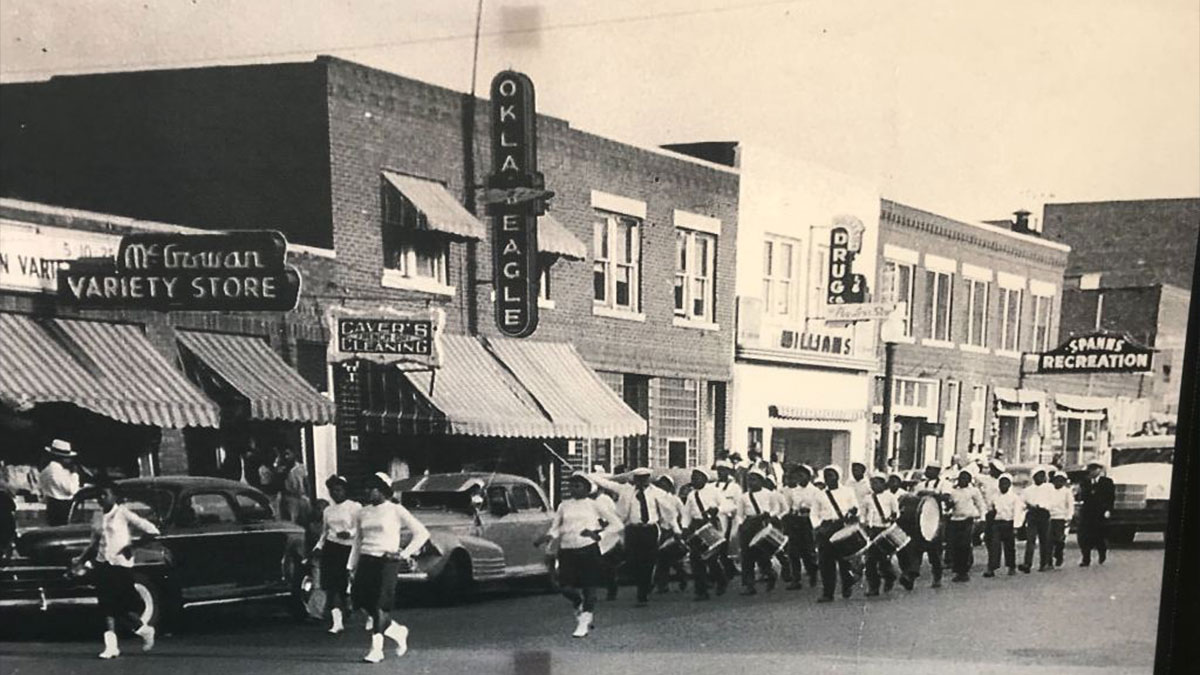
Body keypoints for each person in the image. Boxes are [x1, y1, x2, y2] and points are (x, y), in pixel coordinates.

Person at [70, 478, 160, 659]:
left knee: (122, 608)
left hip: (121, 566)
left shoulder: (123, 513)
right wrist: (80, 560)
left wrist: (132, 547)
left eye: (105, 494)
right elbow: (94, 543)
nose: (101, 498)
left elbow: (152, 530)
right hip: (103, 565)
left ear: (115, 496)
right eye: (99, 495)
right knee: (106, 607)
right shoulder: (97, 516)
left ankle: (144, 630)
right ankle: (111, 647)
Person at [347, 472, 430, 663]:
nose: (367, 492)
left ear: (382, 490)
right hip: (367, 560)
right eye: (365, 489)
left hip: (386, 562)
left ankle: (377, 649)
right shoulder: (362, 512)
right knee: (361, 601)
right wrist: (351, 565)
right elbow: (358, 540)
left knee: (378, 605)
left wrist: (403, 554)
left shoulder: (396, 510)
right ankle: (397, 631)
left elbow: (422, 533)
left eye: (371, 488)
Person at [535, 472, 622, 638]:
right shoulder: (563, 506)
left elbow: (616, 524)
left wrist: (599, 535)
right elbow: (556, 527)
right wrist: (547, 536)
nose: (573, 489)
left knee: (590, 587)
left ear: (587, 488)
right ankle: (577, 601)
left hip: (588, 549)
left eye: (578, 485)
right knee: (565, 587)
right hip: (567, 549)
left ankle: (584, 622)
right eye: (571, 485)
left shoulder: (594, 504)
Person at [590, 468, 676, 606]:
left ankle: (643, 593)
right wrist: (589, 475)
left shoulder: (657, 493)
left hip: (650, 529)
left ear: (649, 479)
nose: (642, 481)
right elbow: (607, 484)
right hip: (633, 529)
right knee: (634, 560)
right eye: (639, 478)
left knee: (648, 561)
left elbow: (669, 512)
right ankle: (642, 584)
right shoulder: (626, 491)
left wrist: (675, 528)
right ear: (634, 479)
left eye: (645, 478)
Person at [314, 475, 361, 634]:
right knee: (330, 584)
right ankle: (336, 621)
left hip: (348, 548)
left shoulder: (354, 507)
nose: (335, 493)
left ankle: (352, 606)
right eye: (332, 491)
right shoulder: (328, 510)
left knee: (345, 583)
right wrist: (319, 546)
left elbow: (360, 528)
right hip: (332, 547)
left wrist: (349, 533)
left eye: (339, 490)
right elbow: (325, 531)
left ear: (345, 491)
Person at [812, 465, 860, 602]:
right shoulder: (820, 494)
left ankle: (847, 584)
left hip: (842, 525)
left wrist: (853, 513)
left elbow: (855, 507)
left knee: (844, 560)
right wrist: (817, 527)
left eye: (831, 475)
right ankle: (828, 593)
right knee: (825, 562)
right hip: (826, 527)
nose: (828, 478)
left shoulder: (848, 491)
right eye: (826, 475)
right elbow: (814, 513)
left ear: (838, 476)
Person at [681, 468, 728, 600]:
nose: (693, 480)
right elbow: (686, 513)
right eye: (692, 477)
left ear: (705, 479)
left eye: (696, 477)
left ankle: (721, 580)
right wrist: (684, 527)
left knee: (711, 558)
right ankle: (701, 590)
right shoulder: (691, 495)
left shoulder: (714, 492)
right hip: (697, 526)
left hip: (711, 524)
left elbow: (728, 505)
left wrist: (717, 509)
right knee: (696, 558)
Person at [734, 469, 783, 595]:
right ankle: (749, 585)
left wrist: (770, 515)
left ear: (761, 481)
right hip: (749, 525)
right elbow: (739, 514)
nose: (751, 482)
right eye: (749, 479)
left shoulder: (769, 494)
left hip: (762, 523)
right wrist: (741, 524)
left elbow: (776, 508)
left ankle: (770, 573)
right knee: (746, 556)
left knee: (762, 554)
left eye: (754, 479)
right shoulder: (744, 497)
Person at [901, 462, 947, 590]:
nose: (927, 471)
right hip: (921, 521)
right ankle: (911, 576)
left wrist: (934, 495)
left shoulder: (944, 484)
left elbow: (947, 497)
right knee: (916, 549)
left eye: (930, 469)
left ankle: (937, 576)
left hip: (937, 521)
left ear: (937, 471)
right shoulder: (920, 485)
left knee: (934, 552)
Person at [781, 464, 821, 590]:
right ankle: (796, 579)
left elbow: (818, 508)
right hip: (795, 521)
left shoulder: (815, 491)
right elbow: (789, 506)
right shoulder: (794, 491)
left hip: (808, 521)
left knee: (807, 551)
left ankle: (812, 572)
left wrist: (808, 510)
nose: (799, 478)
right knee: (793, 551)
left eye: (802, 475)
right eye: (798, 475)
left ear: (809, 477)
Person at [944, 469, 987, 582]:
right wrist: (949, 505)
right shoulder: (954, 492)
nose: (962, 481)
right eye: (961, 478)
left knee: (965, 545)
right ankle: (957, 569)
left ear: (969, 480)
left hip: (967, 520)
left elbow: (981, 504)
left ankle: (964, 571)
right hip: (955, 520)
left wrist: (982, 518)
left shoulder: (973, 491)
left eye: (965, 479)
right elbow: (948, 507)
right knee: (955, 546)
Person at [860, 472, 899, 596]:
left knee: (883, 559)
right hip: (872, 530)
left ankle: (889, 576)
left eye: (876, 483)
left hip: (885, 530)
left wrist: (891, 517)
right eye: (872, 483)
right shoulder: (867, 498)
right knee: (870, 561)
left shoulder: (890, 497)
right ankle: (873, 586)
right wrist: (864, 524)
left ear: (883, 483)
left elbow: (896, 512)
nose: (873, 486)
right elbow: (863, 514)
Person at [652, 475, 688, 594]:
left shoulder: (675, 500)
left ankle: (681, 577)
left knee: (670, 557)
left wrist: (680, 529)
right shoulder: (656, 499)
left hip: (673, 531)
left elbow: (683, 514)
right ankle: (663, 584)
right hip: (661, 530)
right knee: (662, 558)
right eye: (660, 484)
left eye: (664, 484)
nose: (661, 486)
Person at [983, 473, 1022, 577]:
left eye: (1005, 483)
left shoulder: (1014, 498)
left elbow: (1017, 512)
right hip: (996, 524)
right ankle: (991, 568)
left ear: (1009, 484)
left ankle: (1011, 566)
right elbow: (989, 508)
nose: (1003, 486)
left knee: (1009, 546)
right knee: (994, 546)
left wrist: (1016, 526)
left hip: (1008, 523)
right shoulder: (995, 496)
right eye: (1001, 483)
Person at [1077, 461, 1115, 566]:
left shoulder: (1107, 482)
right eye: (1091, 469)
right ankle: (1086, 558)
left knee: (1099, 536)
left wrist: (1108, 510)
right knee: (1084, 537)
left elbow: (1111, 498)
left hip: (1100, 513)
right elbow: (1082, 496)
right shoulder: (1085, 482)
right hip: (1087, 513)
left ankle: (1102, 553)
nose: (1093, 471)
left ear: (1100, 470)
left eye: (1095, 469)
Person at [1018, 466, 1054, 573]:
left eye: (1043, 475)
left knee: (1045, 540)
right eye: (1038, 475)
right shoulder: (1028, 490)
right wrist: (1028, 506)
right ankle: (1027, 563)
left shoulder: (1049, 488)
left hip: (1044, 514)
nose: (1041, 478)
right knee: (1030, 540)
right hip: (1032, 515)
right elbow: (1021, 502)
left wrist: (1044, 506)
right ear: (1033, 477)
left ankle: (1045, 563)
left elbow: (1052, 502)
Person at [712, 460, 743, 580]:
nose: (721, 473)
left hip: (729, 518)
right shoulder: (712, 486)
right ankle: (724, 569)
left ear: (729, 471)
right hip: (715, 518)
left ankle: (728, 569)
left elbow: (738, 504)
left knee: (726, 545)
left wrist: (724, 509)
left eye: (723, 470)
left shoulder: (735, 487)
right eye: (719, 470)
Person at [40, 439, 82, 526]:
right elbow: (72, 490)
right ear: (61, 457)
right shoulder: (55, 470)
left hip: (53, 504)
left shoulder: (48, 469)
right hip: (61, 506)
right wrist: (75, 474)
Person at [275, 446, 310, 525]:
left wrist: (307, 496)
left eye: (288, 454)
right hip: (289, 498)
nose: (286, 457)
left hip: (301, 497)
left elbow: (306, 482)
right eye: (284, 455)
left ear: (294, 454)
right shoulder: (282, 469)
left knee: (304, 521)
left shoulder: (301, 468)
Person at [1047, 472, 1075, 568]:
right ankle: (1048, 561)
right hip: (1050, 517)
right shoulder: (1049, 491)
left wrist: (1069, 517)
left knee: (1059, 539)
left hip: (1061, 518)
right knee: (1048, 540)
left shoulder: (1067, 492)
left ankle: (1059, 555)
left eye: (1061, 480)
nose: (1058, 482)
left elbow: (1070, 505)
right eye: (1056, 480)